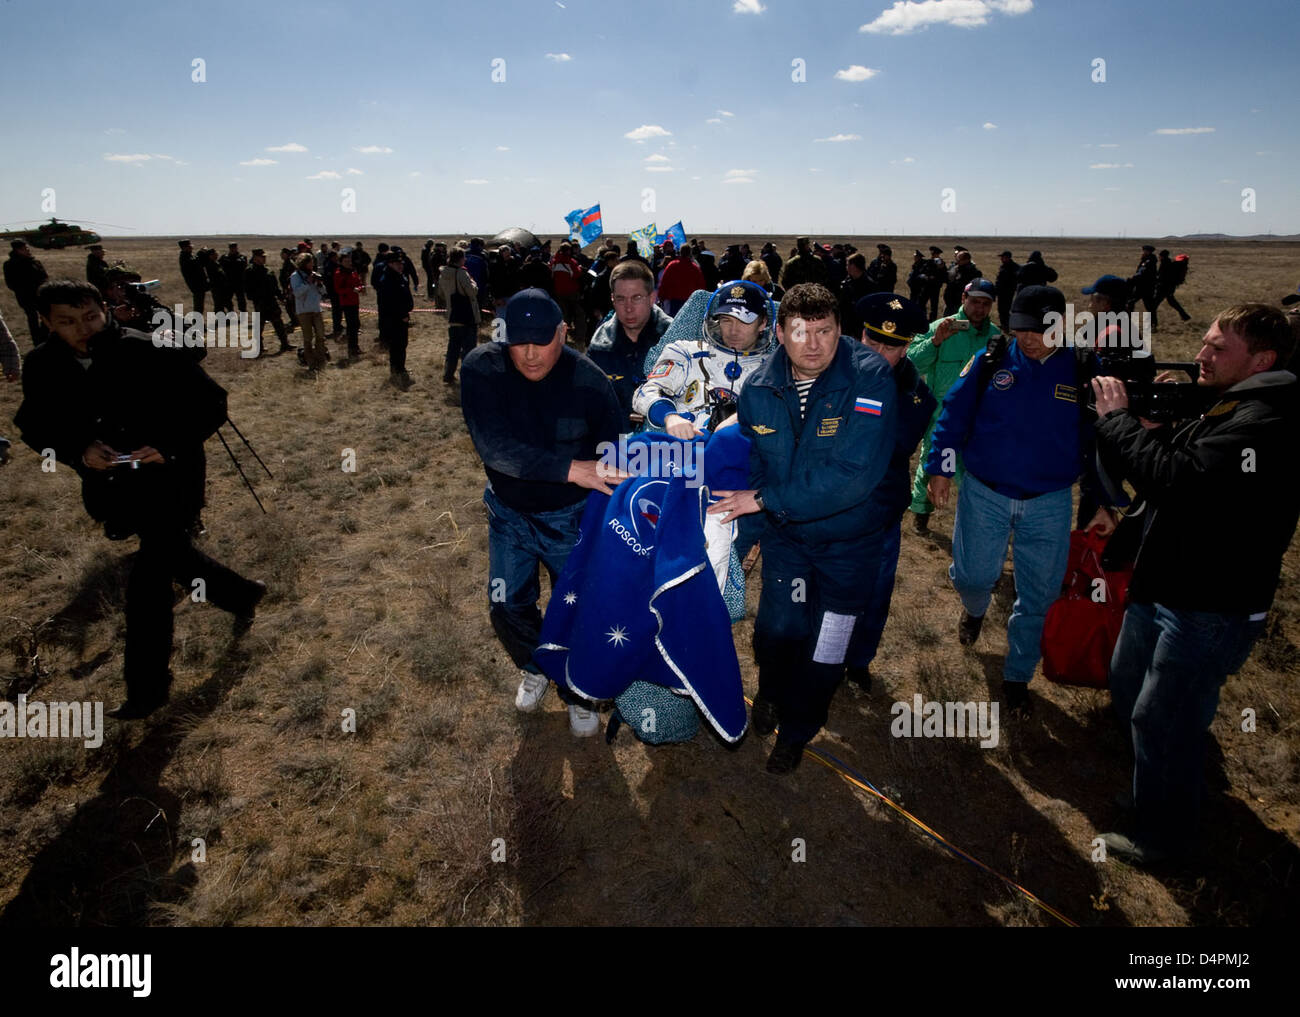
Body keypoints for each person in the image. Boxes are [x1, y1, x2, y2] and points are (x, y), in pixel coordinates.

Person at [1092, 304, 1299, 864]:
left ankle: (1163, 839)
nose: (1201, 355)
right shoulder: (1232, 406)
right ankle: (1152, 792)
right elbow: (1193, 469)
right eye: (1204, 342)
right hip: (1167, 585)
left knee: (1167, 720)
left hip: (1209, 605)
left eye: (1217, 348)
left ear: (1262, 360)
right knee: (1131, 686)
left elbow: (1178, 482)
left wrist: (1119, 424)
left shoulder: (1266, 421)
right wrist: (1163, 430)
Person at [13, 280, 265, 719]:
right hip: (115, 487)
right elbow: (35, 425)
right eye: (67, 322)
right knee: (174, 557)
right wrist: (79, 450)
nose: (83, 329)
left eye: (91, 316)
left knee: (149, 579)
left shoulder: (150, 349)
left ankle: (146, 690)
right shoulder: (42, 365)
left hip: (173, 477)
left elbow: (211, 405)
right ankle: (242, 595)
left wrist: (166, 443)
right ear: (45, 322)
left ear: (105, 309)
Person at [708, 283, 897, 774]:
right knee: (777, 631)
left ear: (841, 331)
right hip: (788, 540)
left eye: (824, 331)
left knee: (826, 649)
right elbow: (753, 470)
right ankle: (770, 694)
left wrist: (766, 501)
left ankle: (798, 730)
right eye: (800, 332)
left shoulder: (870, 379)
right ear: (779, 333)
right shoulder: (758, 389)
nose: (813, 344)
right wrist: (745, 539)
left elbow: (852, 478)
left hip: (849, 545)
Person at [923, 285, 1115, 714]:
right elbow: (953, 415)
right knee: (973, 576)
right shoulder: (991, 361)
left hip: (1049, 500)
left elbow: (1101, 441)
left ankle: (1017, 676)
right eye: (1020, 329)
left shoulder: (1084, 369)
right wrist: (940, 468)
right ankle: (975, 609)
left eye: (1038, 330)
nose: (1027, 339)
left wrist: (1101, 499)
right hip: (985, 491)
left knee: (1039, 594)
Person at [460, 288, 626, 736]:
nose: (531, 355)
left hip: (570, 517)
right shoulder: (482, 369)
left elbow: (616, 456)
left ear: (563, 333)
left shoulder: (591, 383)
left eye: (542, 341)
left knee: (577, 606)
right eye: (519, 342)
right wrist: (572, 467)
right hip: (508, 512)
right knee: (505, 604)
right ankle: (538, 666)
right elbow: (495, 448)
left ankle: (578, 689)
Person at [841, 293, 937, 692]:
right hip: (823, 508)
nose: (880, 353)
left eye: (892, 346)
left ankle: (859, 660)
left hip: (879, 509)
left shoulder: (917, 396)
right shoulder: (826, 371)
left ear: (908, 346)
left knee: (875, 591)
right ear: (859, 335)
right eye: (872, 341)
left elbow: (889, 444)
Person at [906, 278, 1001, 534]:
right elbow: (911, 364)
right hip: (941, 414)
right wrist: (935, 342)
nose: (979, 309)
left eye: (985, 304)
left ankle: (975, 521)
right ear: (963, 300)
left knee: (974, 470)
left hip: (978, 417)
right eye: (974, 302)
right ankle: (921, 512)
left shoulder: (995, 337)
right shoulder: (940, 327)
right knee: (931, 462)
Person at [634, 279, 777, 437]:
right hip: (684, 448)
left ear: (763, 323)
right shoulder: (687, 353)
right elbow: (646, 392)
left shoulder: (774, 370)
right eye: (726, 320)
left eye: (744, 321)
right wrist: (669, 416)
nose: (733, 331)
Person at [586, 259, 673, 428]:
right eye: (620, 299)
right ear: (612, 299)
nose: (628, 308)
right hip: (614, 444)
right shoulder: (600, 346)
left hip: (667, 443)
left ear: (652, 298)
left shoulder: (676, 340)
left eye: (636, 298)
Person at [437, 248, 480, 385]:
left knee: (453, 348)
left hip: (453, 315)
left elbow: (441, 294)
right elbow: (472, 292)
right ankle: (467, 375)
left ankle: (448, 374)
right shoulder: (462, 273)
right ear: (460, 259)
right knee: (469, 348)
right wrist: (473, 282)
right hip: (467, 316)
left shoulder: (443, 274)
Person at [376, 251, 415, 388]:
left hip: (402, 316)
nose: (400, 266)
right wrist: (402, 315)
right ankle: (396, 369)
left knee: (402, 344)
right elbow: (390, 302)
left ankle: (401, 367)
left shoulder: (400, 277)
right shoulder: (387, 280)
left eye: (401, 263)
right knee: (396, 345)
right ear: (390, 264)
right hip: (394, 318)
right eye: (397, 264)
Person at [247, 249, 292, 355]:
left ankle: (285, 344)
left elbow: (275, 287)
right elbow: (248, 290)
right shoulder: (249, 271)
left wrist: (281, 298)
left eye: (264, 256)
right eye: (262, 256)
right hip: (260, 303)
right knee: (259, 327)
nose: (264, 258)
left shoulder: (268, 270)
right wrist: (256, 299)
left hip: (271, 302)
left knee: (279, 324)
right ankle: (259, 348)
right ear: (255, 257)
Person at [5, 240, 50, 345]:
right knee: (32, 319)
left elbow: (45, 276)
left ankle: (44, 337)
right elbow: (10, 283)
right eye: (26, 249)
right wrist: (24, 290)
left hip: (41, 295)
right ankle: (37, 342)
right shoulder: (10, 265)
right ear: (18, 250)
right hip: (26, 297)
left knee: (46, 316)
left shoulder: (35, 262)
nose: (28, 251)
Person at [290, 253, 328, 371]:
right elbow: (297, 293)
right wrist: (307, 282)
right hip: (304, 311)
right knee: (308, 338)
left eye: (313, 262)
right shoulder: (296, 276)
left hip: (316, 309)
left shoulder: (314, 274)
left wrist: (319, 284)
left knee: (321, 335)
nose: (312, 264)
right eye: (310, 262)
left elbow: (323, 292)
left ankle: (321, 360)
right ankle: (311, 363)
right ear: (304, 263)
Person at [549, 242, 587, 348]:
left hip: (559, 293)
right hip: (572, 292)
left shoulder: (554, 262)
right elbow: (577, 274)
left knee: (563, 317)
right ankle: (579, 338)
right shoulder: (571, 262)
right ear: (569, 250)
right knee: (579, 315)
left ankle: (562, 339)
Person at [657, 244, 706, 317]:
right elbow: (701, 286)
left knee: (673, 322)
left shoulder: (672, 265)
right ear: (690, 253)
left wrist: (661, 296)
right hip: (689, 300)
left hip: (674, 300)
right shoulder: (695, 268)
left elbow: (664, 282)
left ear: (680, 252)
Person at [333, 251, 364, 359]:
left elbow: (359, 283)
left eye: (349, 261)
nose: (348, 263)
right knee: (352, 326)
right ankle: (352, 349)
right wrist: (351, 290)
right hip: (346, 302)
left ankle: (355, 346)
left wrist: (360, 288)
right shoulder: (338, 273)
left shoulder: (353, 271)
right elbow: (338, 289)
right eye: (346, 261)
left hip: (355, 301)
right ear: (341, 262)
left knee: (356, 325)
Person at [1154, 249, 1192, 326]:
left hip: (1164, 287)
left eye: (1159, 256)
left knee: (1153, 305)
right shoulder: (1171, 262)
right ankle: (1185, 316)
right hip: (1170, 287)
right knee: (1172, 301)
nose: (1158, 257)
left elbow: (1162, 276)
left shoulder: (1165, 263)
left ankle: (1153, 324)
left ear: (1162, 256)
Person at [943, 247, 981, 316]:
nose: (957, 261)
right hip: (949, 303)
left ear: (967, 260)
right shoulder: (954, 269)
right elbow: (946, 279)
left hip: (961, 304)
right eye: (957, 259)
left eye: (959, 259)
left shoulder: (974, 273)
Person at [1126, 244, 1159, 323]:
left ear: (1148, 251)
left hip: (1145, 287)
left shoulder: (1149, 262)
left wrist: (1132, 279)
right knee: (1147, 306)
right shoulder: (1147, 260)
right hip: (1143, 286)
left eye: (1144, 251)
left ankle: (1153, 324)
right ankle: (1153, 323)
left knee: (1147, 306)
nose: (1143, 252)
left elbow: (1142, 273)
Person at [994, 250, 1019, 331]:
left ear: (1007, 258)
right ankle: (1004, 324)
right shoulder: (1004, 266)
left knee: (1005, 309)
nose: (1001, 259)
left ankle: (1007, 326)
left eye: (1003, 257)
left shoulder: (1013, 267)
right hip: (1001, 291)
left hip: (1007, 291)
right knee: (1001, 309)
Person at [219, 243, 248, 312]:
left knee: (241, 300)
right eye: (231, 248)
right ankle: (231, 312)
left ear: (237, 248)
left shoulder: (242, 258)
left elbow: (244, 267)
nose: (233, 249)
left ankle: (243, 315)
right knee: (226, 299)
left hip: (239, 282)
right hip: (228, 282)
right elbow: (219, 267)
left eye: (234, 248)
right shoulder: (224, 257)